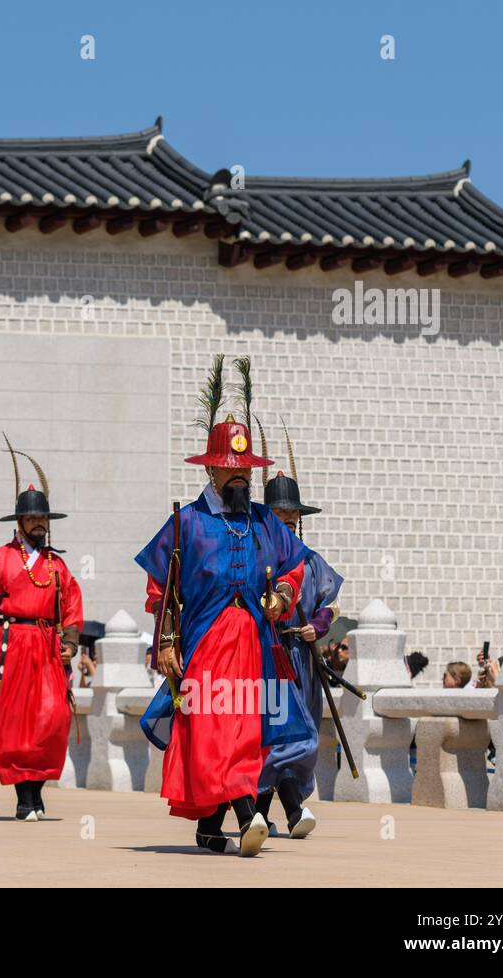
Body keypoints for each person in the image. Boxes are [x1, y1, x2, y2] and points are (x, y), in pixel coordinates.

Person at [136, 356, 310, 857]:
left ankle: (216, 826)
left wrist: (282, 596)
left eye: (245, 470)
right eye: (230, 469)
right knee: (213, 731)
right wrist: (165, 642)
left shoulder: (262, 520)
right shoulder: (186, 522)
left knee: (245, 731)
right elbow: (160, 588)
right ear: (211, 467)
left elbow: (296, 566)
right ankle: (248, 817)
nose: (239, 477)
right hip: (205, 645)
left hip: (254, 641)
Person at [0, 441, 82, 821]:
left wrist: (71, 642)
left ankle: (37, 789)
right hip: (10, 646)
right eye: (32, 520)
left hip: (46, 647)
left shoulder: (57, 566)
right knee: (15, 725)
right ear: (20, 523)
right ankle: (25, 798)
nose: (39, 525)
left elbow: (72, 608)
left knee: (50, 720)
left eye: (43, 519)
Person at [254, 422, 342, 840]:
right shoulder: (254, 558)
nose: (287, 524)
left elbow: (332, 602)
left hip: (300, 658)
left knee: (298, 730)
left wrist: (317, 626)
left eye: (292, 518)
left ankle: (266, 812)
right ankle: (280, 809)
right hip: (265, 656)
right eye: (279, 517)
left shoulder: (310, 560)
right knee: (274, 732)